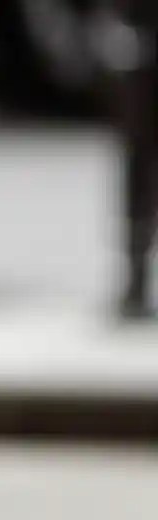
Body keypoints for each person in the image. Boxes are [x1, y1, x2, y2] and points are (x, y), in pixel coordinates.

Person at [106, 0, 157, 319]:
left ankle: (135, 282)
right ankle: (135, 279)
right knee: (138, 168)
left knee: (138, 168)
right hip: (141, 53)